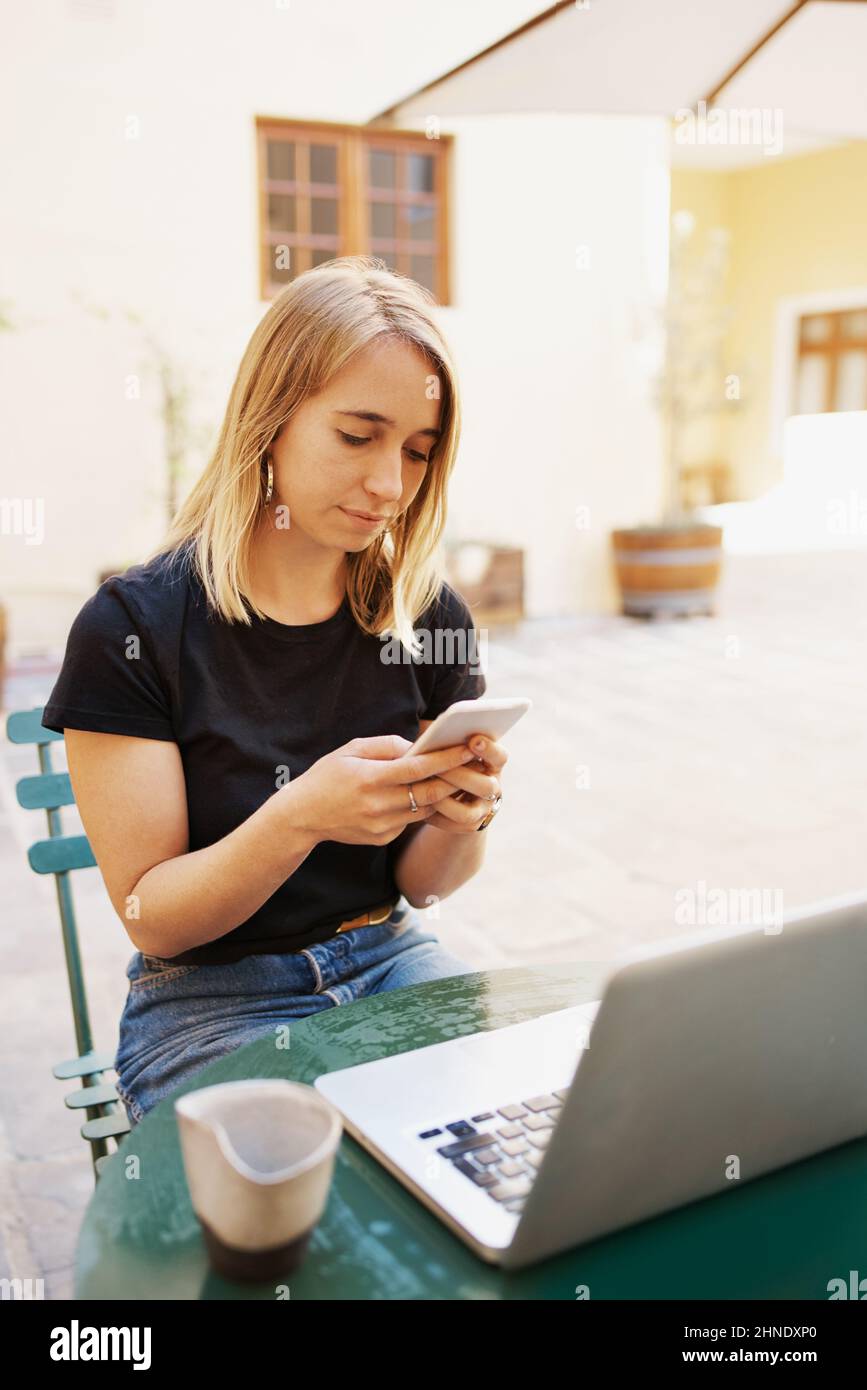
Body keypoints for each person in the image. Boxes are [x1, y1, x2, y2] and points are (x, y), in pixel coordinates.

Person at [41, 255, 507, 1126]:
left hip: (389, 959)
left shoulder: (422, 612)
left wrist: (459, 813)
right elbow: (157, 920)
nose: (388, 486)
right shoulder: (134, 628)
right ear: (271, 416)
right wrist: (302, 816)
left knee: (518, 1134)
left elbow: (424, 886)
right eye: (357, 434)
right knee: (303, 1196)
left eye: (416, 451)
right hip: (211, 1001)